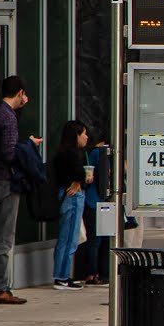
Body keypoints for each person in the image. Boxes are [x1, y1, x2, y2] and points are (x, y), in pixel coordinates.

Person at [0, 75, 40, 305]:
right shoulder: (9, 117)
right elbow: (9, 153)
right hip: (5, 181)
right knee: (4, 238)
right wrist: (29, 147)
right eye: (24, 95)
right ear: (21, 93)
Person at [52, 120, 91, 290]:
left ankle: (62, 274)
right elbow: (79, 173)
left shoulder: (62, 153)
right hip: (72, 197)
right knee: (69, 237)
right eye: (84, 134)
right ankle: (62, 276)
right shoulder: (72, 154)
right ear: (76, 135)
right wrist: (82, 178)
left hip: (67, 194)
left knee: (67, 236)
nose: (86, 137)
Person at [77, 138, 112, 285]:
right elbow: (105, 175)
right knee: (97, 239)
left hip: (97, 200)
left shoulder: (93, 152)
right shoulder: (99, 153)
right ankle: (93, 273)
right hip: (97, 200)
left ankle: (96, 272)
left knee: (98, 239)